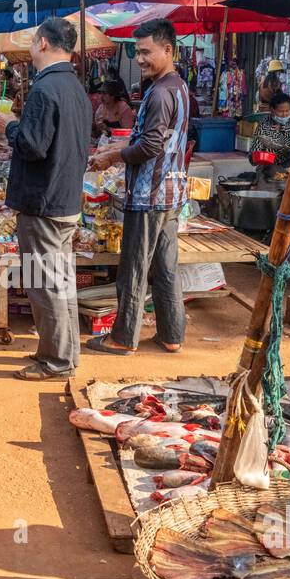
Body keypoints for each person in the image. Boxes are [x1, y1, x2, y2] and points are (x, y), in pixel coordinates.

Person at [0, 17, 91, 380]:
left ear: (44, 43)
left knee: (46, 284)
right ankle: (63, 353)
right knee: (60, 282)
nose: (30, 47)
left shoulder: (46, 88)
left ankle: (57, 361)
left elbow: (32, 145)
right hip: (64, 199)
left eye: (32, 41)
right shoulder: (73, 86)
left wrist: (10, 126)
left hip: (44, 200)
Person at [87, 18, 189, 356]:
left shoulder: (159, 93)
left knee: (133, 267)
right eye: (137, 52)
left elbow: (150, 147)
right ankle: (172, 335)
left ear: (167, 50)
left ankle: (123, 337)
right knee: (165, 267)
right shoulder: (178, 87)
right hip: (171, 193)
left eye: (146, 52)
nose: (140, 59)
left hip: (149, 194)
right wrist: (116, 148)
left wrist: (114, 155)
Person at [252, 92, 290, 168]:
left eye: (287, 111)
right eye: (281, 111)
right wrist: (255, 157)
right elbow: (256, 146)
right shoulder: (265, 124)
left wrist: (284, 128)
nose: (284, 114)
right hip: (270, 165)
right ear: (272, 110)